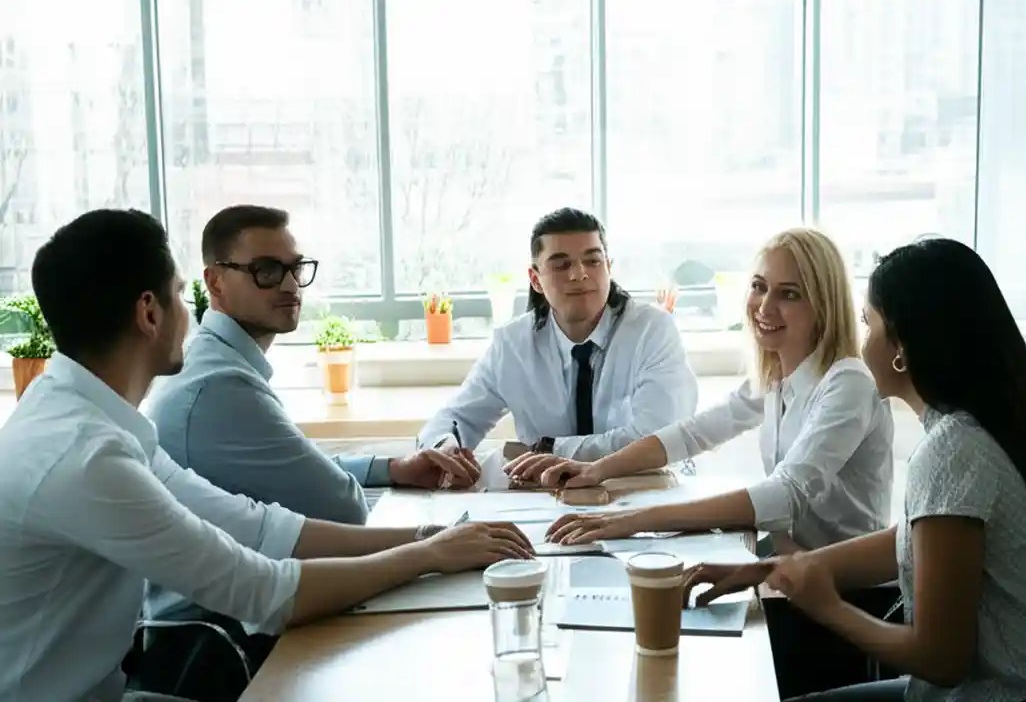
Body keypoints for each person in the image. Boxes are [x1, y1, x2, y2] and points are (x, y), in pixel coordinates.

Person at [0, 209, 532, 701]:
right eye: (182, 295)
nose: (192, 314)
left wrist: (429, 537)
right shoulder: (86, 457)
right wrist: (430, 557)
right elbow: (268, 593)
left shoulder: (90, 421)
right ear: (148, 312)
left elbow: (259, 528)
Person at [682, 239, 1026, 702]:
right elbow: (911, 541)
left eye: (868, 324)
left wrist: (827, 606)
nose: (861, 344)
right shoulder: (990, 431)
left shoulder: (953, 453)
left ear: (902, 346)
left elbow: (941, 659)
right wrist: (771, 568)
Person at [521, 227, 894, 552]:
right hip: (793, 566)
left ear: (824, 304)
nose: (765, 306)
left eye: (789, 294)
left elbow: (784, 495)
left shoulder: (848, 383)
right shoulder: (775, 377)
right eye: (759, 287)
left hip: (847, 590)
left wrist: (634, 521)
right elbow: (693, 432)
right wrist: (596, 469)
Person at [147, 205, 475, 527]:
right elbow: (344, 507)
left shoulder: (216, 361)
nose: (290, 286)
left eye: (296, 268)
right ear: (215, 282)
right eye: (267, 271)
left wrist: (392, 468)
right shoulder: (221, 385)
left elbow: (298, 465)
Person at [417, 207, 698, 463]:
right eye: (561, 265)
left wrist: (547, 450)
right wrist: (444, 446)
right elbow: (455, 418)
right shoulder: (513, 345)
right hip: (545, 501)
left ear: (609, 268)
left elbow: (657, 439)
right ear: (535, 279)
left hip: (644, 495)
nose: (579, 274)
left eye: (593, 261)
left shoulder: (653, 331)